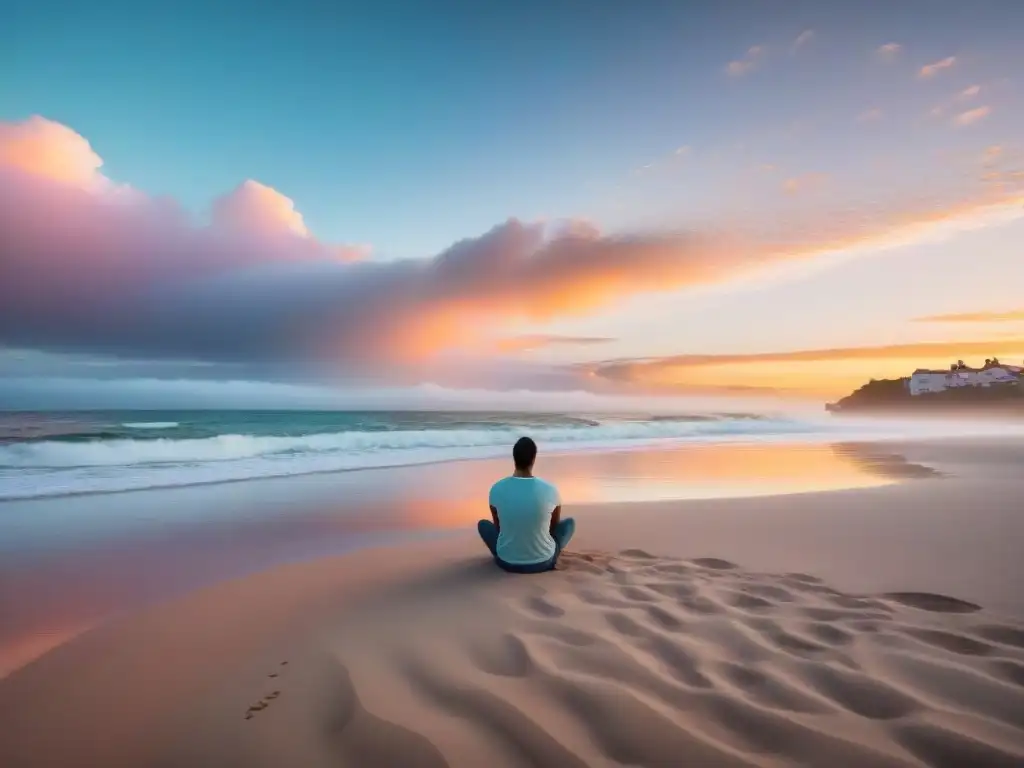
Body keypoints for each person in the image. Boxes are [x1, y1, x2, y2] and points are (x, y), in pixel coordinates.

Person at [478, 436, 575, 573]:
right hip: (543, 562)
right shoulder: (550, 490)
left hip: (506, 561)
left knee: (483, 524)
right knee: (569, 524)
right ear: (534, 459)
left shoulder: (496, 489)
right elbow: (552, 529)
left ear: (514, 459)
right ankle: (542, 552)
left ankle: (514, 552)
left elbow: (500, 529)